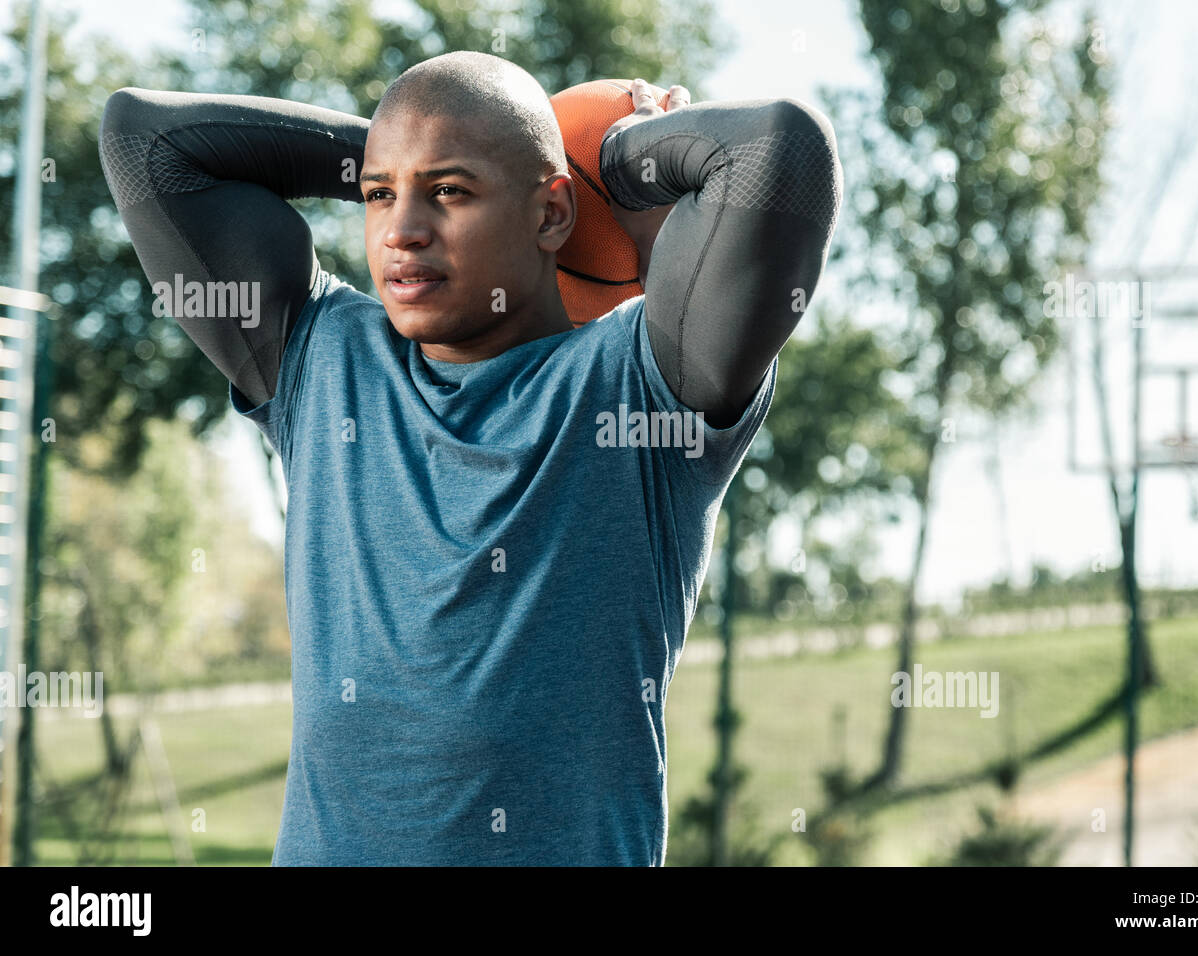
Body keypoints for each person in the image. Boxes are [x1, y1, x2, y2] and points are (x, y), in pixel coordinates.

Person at [99, 51, 842, 866]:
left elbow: (781, 152)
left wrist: (613, 158)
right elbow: (144, 139)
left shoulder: (641, 388)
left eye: (450, 192)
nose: (402, 229)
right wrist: (418, 145)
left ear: (552, 214)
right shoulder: (316, 360)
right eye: (379, 194)